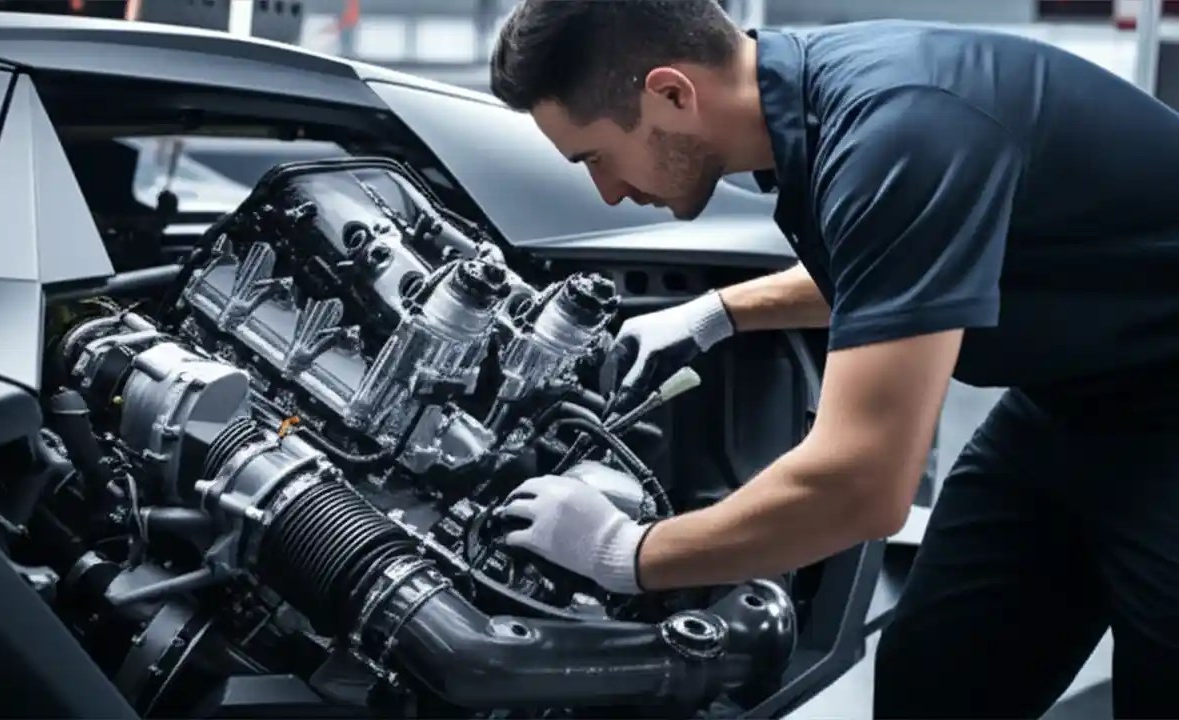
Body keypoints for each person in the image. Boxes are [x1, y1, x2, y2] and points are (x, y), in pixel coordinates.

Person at [486, 1, 1179, 717]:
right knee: (938, 679)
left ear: (672, 94)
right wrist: (721, 313)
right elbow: (895, 264)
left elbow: (864, 485)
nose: (607, 191)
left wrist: (625, 553)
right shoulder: (817, 99)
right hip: (1074, 397)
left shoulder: (900, 128)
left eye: (596, 157)